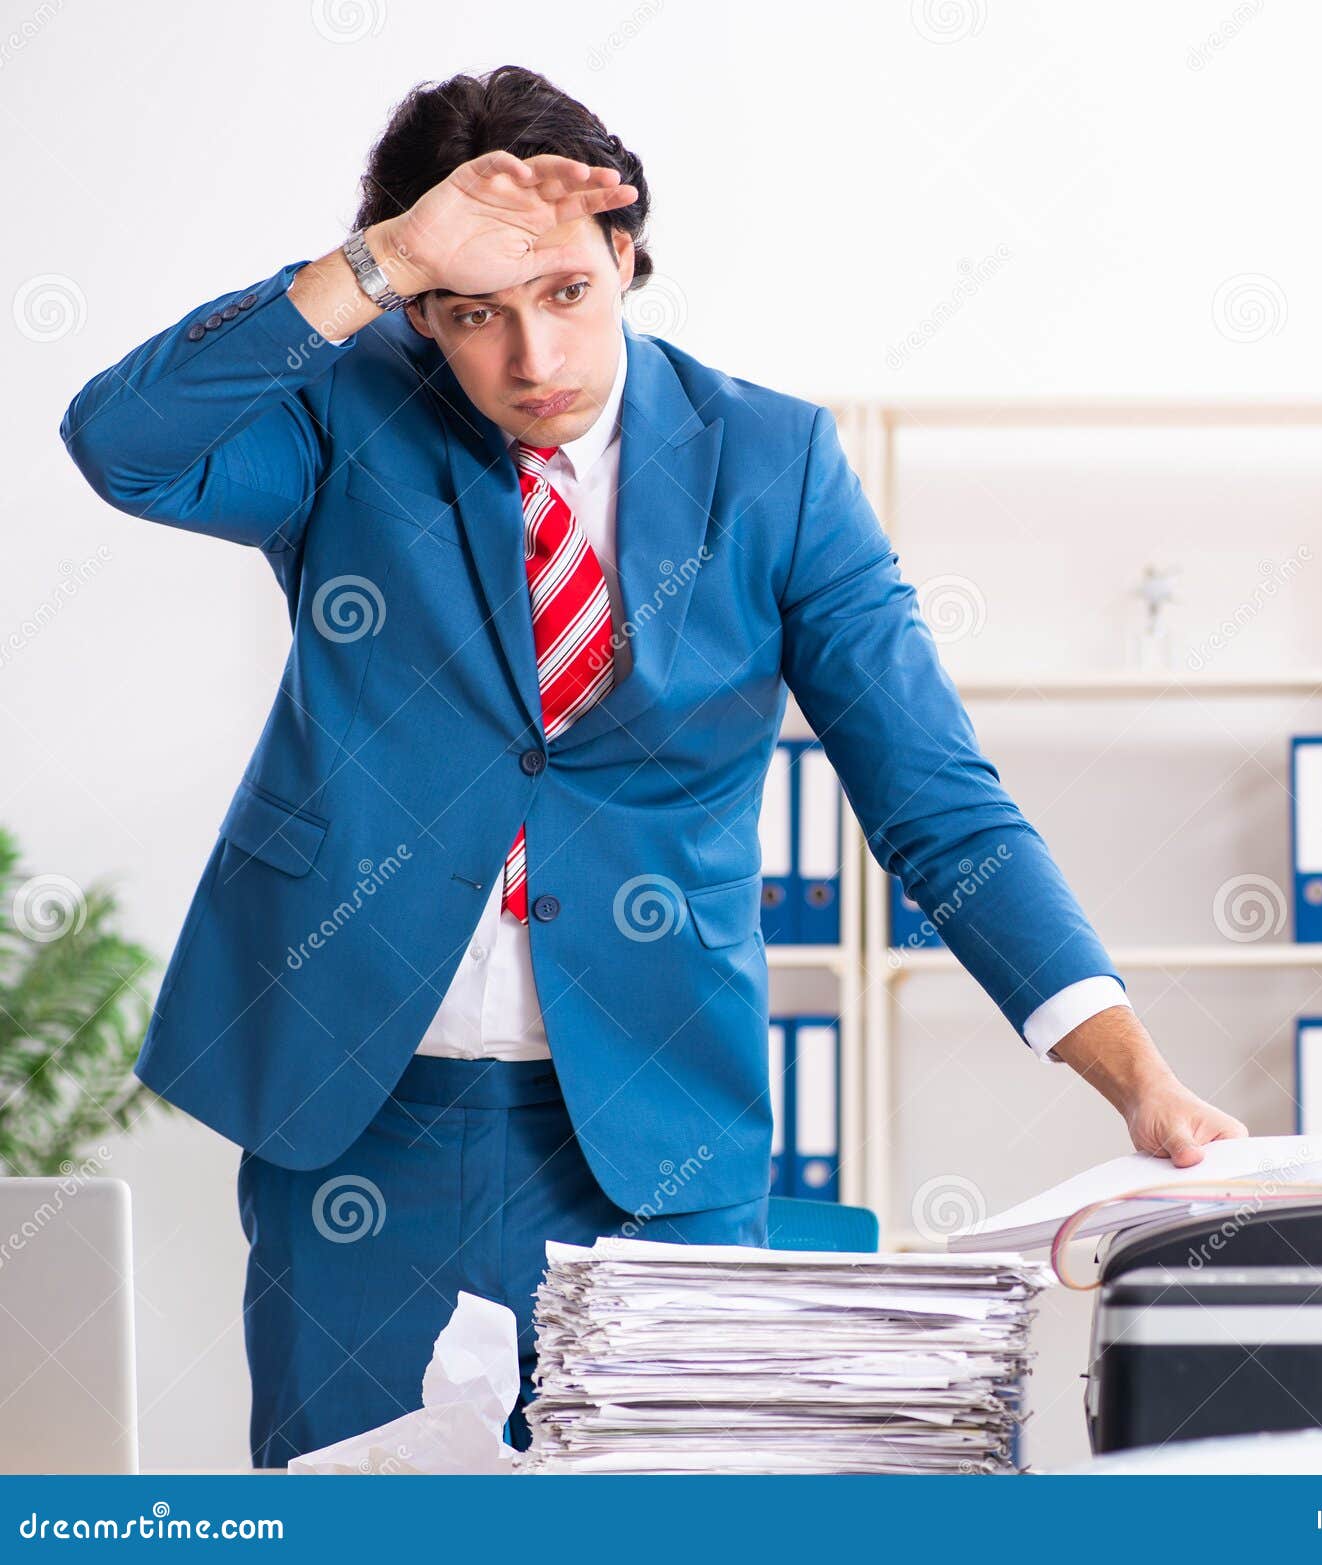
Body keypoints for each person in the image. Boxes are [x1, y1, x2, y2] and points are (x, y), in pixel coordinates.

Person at [58, 65, 1246, 1467]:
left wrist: (1134, 1075)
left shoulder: (777, 462)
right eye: (472, 312)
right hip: (361, 1111)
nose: (531, 360)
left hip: (654, 1131)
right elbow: (121, 443)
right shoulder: (350, 417)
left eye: (564, 292)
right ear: (421, 309)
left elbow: (932, 792)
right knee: (350, 1530)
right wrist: (377, 264)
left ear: (626, 253)